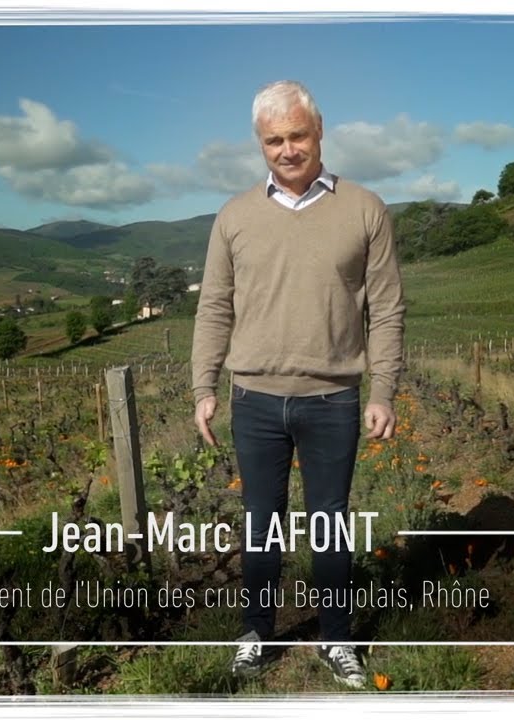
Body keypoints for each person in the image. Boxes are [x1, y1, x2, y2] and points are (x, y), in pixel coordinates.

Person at [190, 79, 406, 688]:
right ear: (260, 144)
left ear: (319, 133)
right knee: (260, 523)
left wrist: (383, 390)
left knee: (329, 525)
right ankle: (257, 634)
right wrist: (204, 386)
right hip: (253, 399)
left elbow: (387, 308)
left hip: (332, 399)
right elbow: (214, 307)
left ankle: (336, 638)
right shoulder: (234, 216)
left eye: (297, 135)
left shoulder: (364, 209)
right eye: (274, 140)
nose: (287, 149)